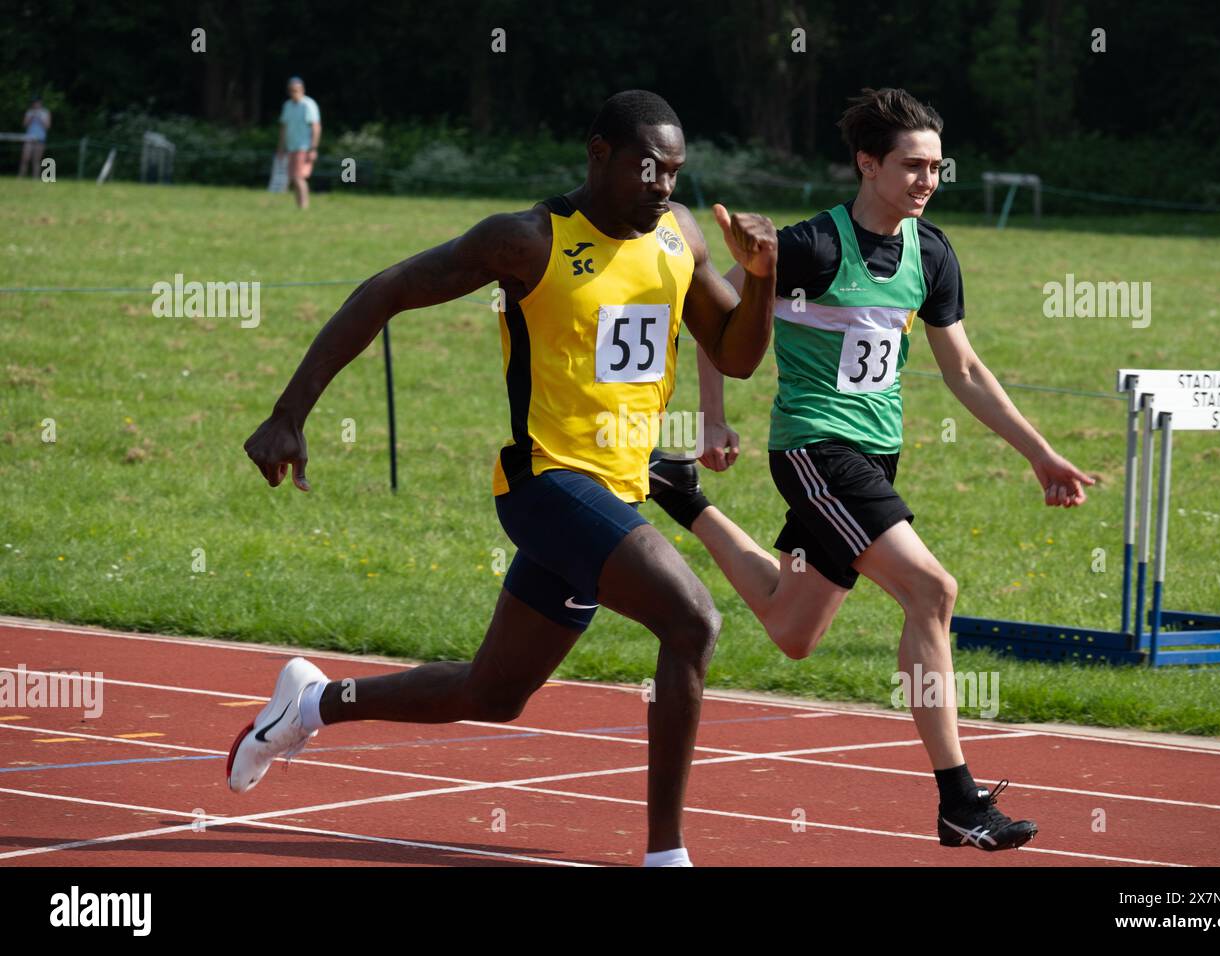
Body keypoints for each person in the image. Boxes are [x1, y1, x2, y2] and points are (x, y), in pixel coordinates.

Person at [229, 90, 778, 867]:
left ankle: (312, 702)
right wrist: (290, 413)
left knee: (493, 695)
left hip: (615, 495)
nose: (663, 186)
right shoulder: (527, 241)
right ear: (598, 156)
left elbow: (739, 355)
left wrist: (762, 277)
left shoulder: (678, 238)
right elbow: (385, 291)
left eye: (675, 173)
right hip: (544, 484)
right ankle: (666, 856)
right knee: (692, 622)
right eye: (647, 169)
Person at [647, 87, 1095, 852]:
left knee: (793, 629)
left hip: (873, 457)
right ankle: (958, 800)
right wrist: (715, 415)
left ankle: (681, 498)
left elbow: (965, 371)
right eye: (913, 166)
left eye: (936, 167)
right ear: (868, 165)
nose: (928, 180)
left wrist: (1040, 452)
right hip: (816, 451)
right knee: (932, 590)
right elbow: (713, 312)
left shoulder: (932, 252)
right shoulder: (812, 248)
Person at [277, 77, 320, 209]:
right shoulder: (287, 106)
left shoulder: (309, 105)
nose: (293, 93)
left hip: (304, 147)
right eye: (291, 90)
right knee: (293, 177)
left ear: (302, 90)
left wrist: (313, 148)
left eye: (296, 90)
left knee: (298, 177)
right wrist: (281, 147)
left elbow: (316, 127)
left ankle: (304, 206)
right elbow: (284, 128)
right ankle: (299, 206)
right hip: (291, 147)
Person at [17, 97, 50, 178]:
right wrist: (32, 117)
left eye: (37, 102)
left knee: (36, 160)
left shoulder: (45, 113)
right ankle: (21, 176)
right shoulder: (29, 112)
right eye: (34, 103)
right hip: (29, 138)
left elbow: (47, 126)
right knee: (25, 158)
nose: (35, 104)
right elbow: (25, 124)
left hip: (40, 138)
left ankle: (35, 178)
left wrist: (39, 117)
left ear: (40, 103)